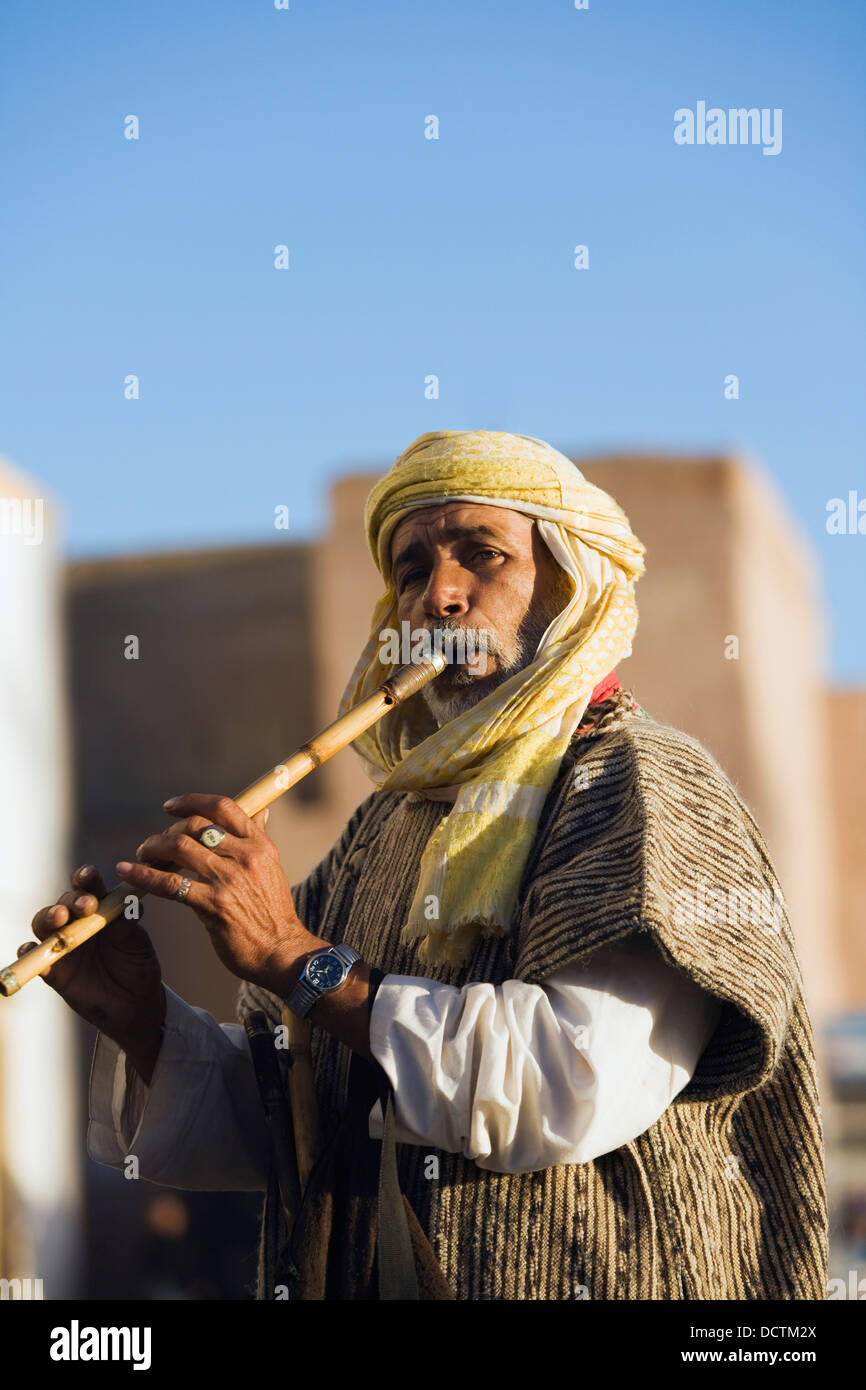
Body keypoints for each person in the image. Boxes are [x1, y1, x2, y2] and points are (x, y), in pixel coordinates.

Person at [27, 429, 828, 1300]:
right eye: (412, 570)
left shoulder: (640, 783)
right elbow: (309, 1114)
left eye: (482, 557)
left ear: (571, 589)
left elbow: (560, 1087)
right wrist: (146, 1023)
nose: (439, 597)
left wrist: (297, 958)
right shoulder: (387, 826)